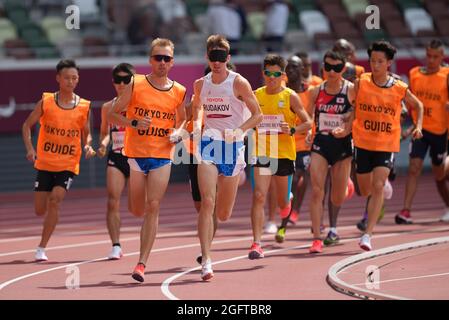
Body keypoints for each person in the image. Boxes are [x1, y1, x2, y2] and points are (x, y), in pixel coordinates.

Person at [108, 38, 187, 283]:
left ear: (172, 62)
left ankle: (141, 263)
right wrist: (132, 122)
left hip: (162, 154)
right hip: (135, 155)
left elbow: (184, 122)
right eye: (157, 58)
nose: (162, 62)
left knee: (153, 206)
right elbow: (112, 113)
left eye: (166, 58)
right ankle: (138, 225)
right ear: (150, 60)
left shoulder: (179, 91)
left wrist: (179, 133)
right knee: (137, 209)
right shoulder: (136, 83)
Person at [191, 34, 262, 280]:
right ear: (207, 58)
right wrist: (195, 127)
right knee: (207, 203)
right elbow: (198, 110)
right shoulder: (200, 84)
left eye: (221, 57)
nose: (217, 62)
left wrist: (240, 130)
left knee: (223, 214)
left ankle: (230, 182)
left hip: (233, 149)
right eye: (213, 57)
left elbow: (258, 115)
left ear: (228, 58)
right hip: (209, 145)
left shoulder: (239, 82)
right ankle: (206, 261)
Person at [351, 40, 423, 251]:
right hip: (363, 142)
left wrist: (418, 126)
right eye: (372, 61)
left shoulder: (399, 87)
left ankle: (367, 235)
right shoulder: (361, 82)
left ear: (389, 63)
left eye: (380, 61)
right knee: (364, 190)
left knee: (378, 186)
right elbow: (353, 107)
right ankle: (380, 187)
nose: (375, 65)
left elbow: (418, 104)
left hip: (385, 144)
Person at [22, 59, 96, 261]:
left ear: (78, 79)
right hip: (45, 163)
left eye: (74, 78)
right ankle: (45, 225)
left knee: (55, 201)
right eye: (67, 78)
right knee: (40, 210)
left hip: (68, 164)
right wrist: (30, 149)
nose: (70, 81)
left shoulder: (83, 106)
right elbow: (26, 126)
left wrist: (88, 145)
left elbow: (87, 134)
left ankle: (41, 248)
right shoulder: (46, 102)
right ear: (58, 79)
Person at [249, 53, 312, 258]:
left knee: (282, 201)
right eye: (268, 73)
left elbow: (308, 122)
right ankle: (256, 243)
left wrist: (292, 129)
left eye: (276, 74)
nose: (272, 77)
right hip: (262, 152)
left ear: (283, 75)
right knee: (259, 195)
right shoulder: (256, 95)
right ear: (263, 73)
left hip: (284, 153)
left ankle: (287, 204)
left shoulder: (290, 96)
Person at [306, 51, 356, 253]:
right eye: (328, 67)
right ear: (323, 67)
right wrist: (310, 131)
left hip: (343, 145)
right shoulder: (315, 91)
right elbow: (309, 116)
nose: (332, 72)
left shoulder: (351, 90)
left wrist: (346, 126)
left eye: (336, 68)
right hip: (321, 143)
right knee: (317, 191)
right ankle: (317, 238)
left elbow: (358, 113)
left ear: (343, 69)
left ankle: (346, 187)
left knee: (337, 197)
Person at [397, 39, 449, 224]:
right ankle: (406, 211)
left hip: (441, 132)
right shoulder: (415, 74)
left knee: (440, 175)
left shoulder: (447, 75)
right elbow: (412, 103)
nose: (431, 60)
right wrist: (410, 126)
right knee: (414, 168)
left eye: (435, 56)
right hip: (421, 130)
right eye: (428, 55)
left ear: (442, 56)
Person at [97, 63, 136, 260]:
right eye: (117, 80)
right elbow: (105, 133)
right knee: (112, 200)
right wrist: (103, 145)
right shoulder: (107, 107)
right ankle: (116, 245)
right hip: (117, 156)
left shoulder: (139, 104)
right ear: (113, 83)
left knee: (139, 206)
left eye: (126, 80)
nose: (121, 84)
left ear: (133, 82)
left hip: (137, 156)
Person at [274, 55, 312, 242]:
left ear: (302, 69)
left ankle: (288, 221)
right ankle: (284, 221)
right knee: (285, 188)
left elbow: (313, 117)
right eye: (288, 68)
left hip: (304, 143)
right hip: (283, 145)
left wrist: (313, 131)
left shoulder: (310, 92)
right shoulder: (280, 92)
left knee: (300, 177)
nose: (291, 71)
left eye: (295, 67)